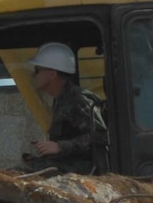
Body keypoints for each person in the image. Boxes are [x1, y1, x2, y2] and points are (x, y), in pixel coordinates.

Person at [23, 41, 107, 175]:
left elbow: (101, 136)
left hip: (83, 172)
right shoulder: (60, 99)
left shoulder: (77, 99)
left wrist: (60, 146)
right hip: (70, 167)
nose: (34, 75)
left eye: (37, 70)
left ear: (52, 74)